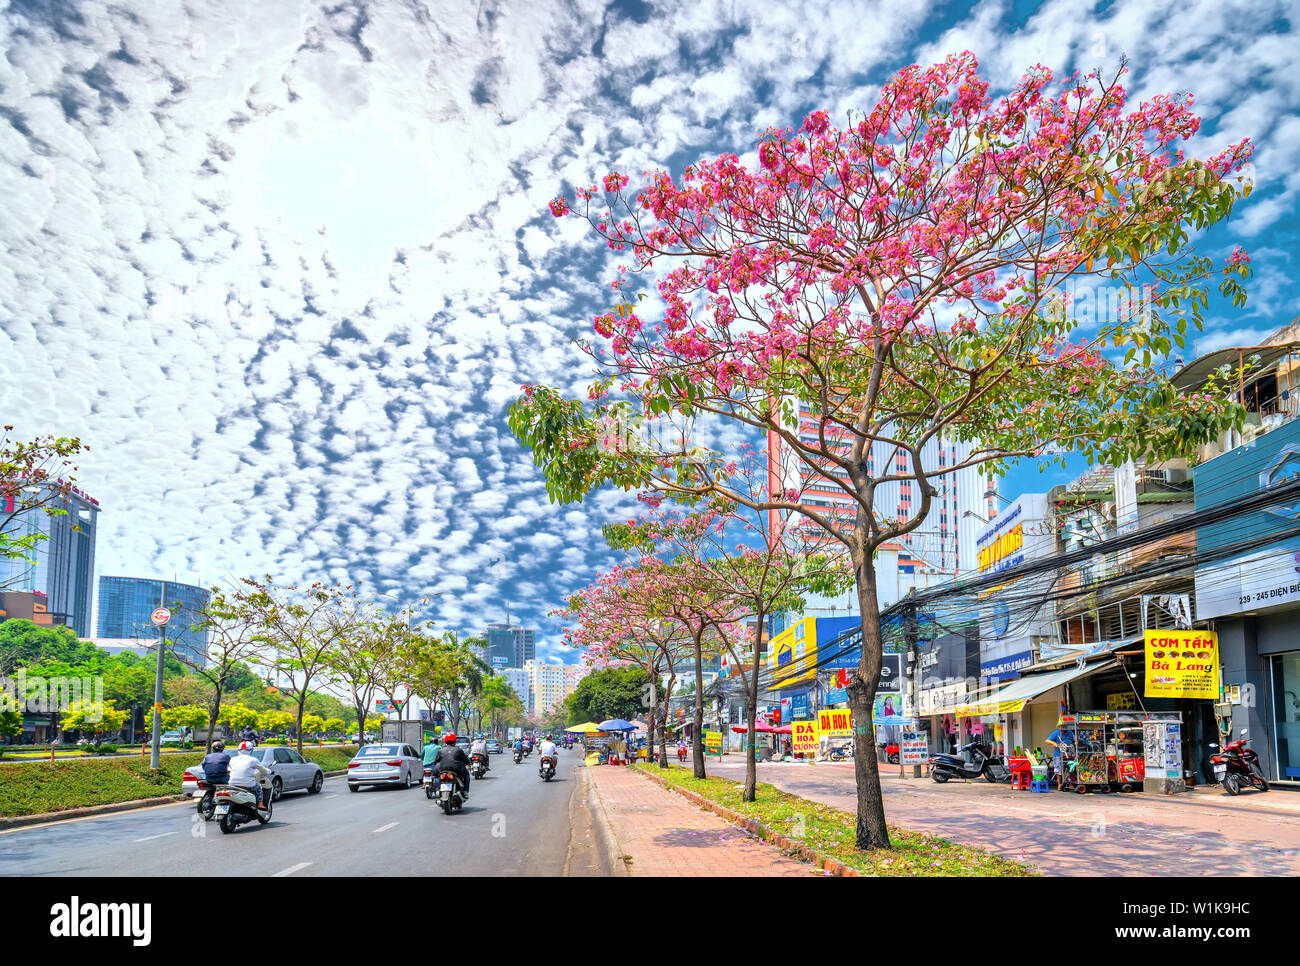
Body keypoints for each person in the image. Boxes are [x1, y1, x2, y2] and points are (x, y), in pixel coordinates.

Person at [432, 733, 471, 800]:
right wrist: (468, 763)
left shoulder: (441, 750)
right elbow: (466, 760)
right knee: (467, 775)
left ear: (446, 742)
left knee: (435, 776)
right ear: (455, 742)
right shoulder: (458, 750)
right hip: (456, 771)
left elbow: (436, 761)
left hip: (442, 770)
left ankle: (438, 789)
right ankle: (465, 791)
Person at [1044, 722, 1071, 790]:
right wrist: (1053, 743)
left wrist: (1076, 742)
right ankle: (1059, 784)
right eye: (1062, 728)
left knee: (1070, 769)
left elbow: (1074, 740)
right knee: (1058, 770)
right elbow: (1047, 740)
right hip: (1058, 755)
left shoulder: (1070, 732)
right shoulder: (1056, 733)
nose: (1064, 730)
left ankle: (1069, 783)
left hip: (1068, 755)